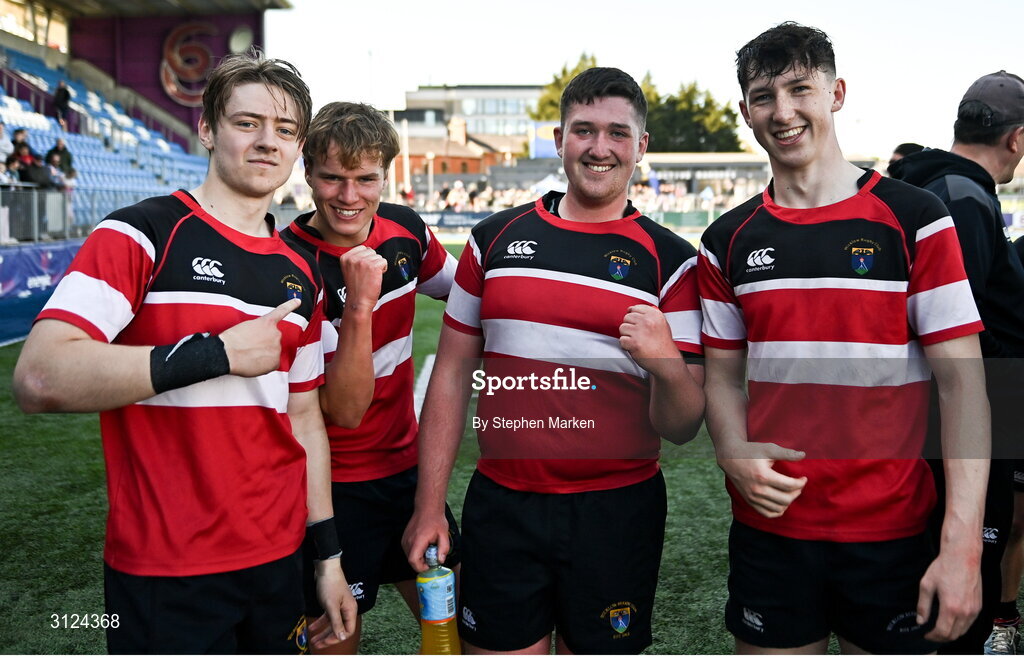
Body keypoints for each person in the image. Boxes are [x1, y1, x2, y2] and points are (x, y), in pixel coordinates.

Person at [12, 50, 357, 654]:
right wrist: (212, 354)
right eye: (247, 122)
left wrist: (326, 556)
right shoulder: (141, 233)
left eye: (285, 130)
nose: (266, 143)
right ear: (206, 128)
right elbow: (40, 375)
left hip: (279, 558)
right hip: (165, 567)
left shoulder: (302, 272)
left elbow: (304, 419)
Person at [699, 22, 990, 654]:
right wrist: (730, 448)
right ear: (746, 111)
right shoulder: (727, 237)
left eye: (800, 88)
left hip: (892, 533)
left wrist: (963, 545)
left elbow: (964, 386)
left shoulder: (914, 218)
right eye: (763, 96)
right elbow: (720, 377)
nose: (784, 111)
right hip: (770, 527)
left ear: (837, 93)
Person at [402, 66, 706, 654]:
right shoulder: (492, 239)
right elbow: (450, 379)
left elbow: (684, 424)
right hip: (503, 501)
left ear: (641, 146)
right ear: (560, 138)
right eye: (583, 130)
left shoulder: (672, 260)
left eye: (618, 133)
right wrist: (428, 507)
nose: (599, 148)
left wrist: (665, 361)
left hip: (617, 509)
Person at [279, 101, 462, 653]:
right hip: (328, 491)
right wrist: (359, 305)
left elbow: (468, 294)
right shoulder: (285, 262)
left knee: (462, 631)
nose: (349, 195)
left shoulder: (405, 229)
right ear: (307, 171)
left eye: (365, 178)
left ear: (387, 174)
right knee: (337, 640)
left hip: (407, 476)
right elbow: (344, 411)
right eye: (332, 178)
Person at [890, 69, 1024, 655]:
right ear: (1016, 139)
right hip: (960, 431)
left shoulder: (946, 189)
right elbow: (952, 335)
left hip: (949, 426)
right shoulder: (962, 196)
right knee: (954, 607)